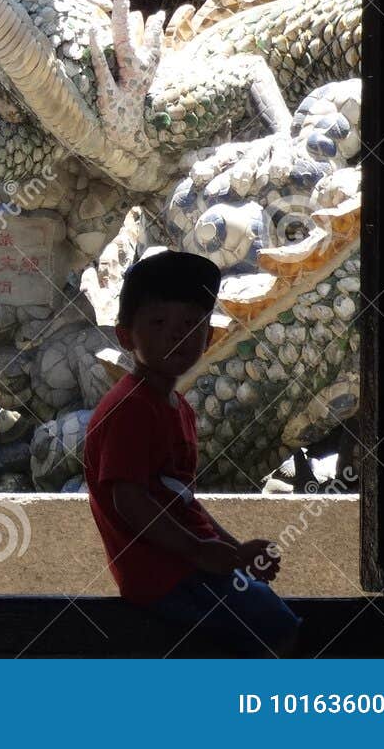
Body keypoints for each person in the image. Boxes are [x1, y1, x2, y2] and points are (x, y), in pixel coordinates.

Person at [83, 250, 301, 657]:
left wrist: (235, 553)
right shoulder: (130, 408)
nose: (177, 335)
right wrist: (200, 552)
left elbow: (181, 504)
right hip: (165, 577)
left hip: (187, 570)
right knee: (278, 627)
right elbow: (128, 499)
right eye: (160, 323)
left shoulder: (174, 406)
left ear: (210, 336)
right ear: (126, 336)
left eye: (191, 324)